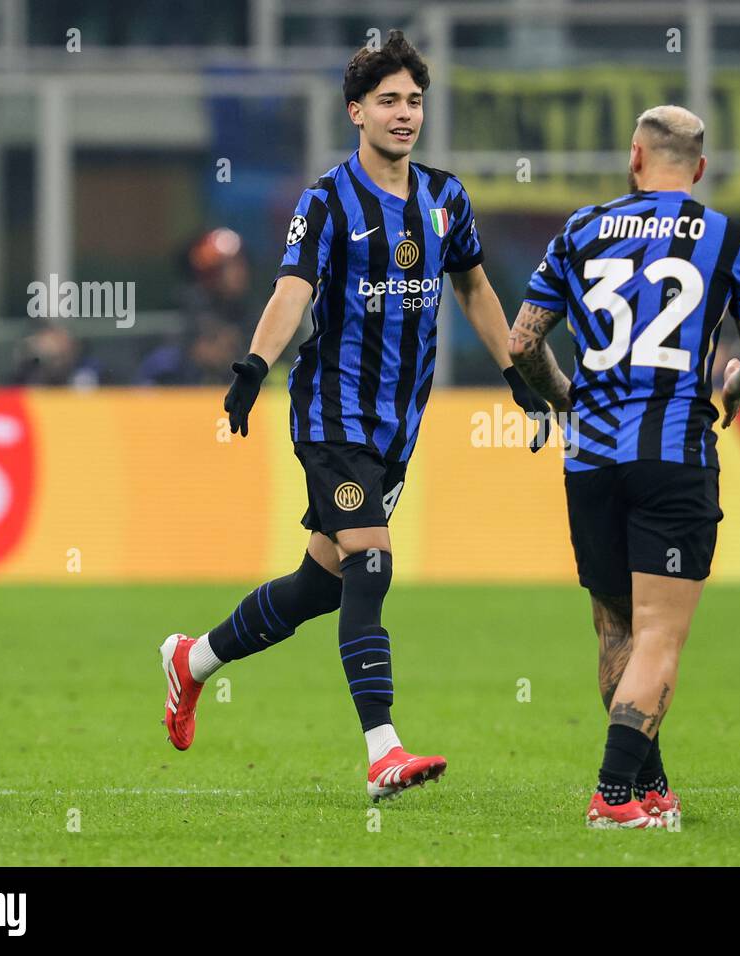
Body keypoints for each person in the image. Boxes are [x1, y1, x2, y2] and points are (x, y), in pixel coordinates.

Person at [159, 30, 551, 802]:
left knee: (321, 585)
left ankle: (191, 660)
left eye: (413, 101)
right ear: (356, 112)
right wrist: (252, 366)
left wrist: (514, 370)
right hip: (332, 414)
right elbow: (292, 290)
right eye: (388, 102)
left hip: (397, 427)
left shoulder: (446, 200)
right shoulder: (326, 201)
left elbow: (472, 287)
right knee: (372, 560)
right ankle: (383, 751)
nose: (404, 114)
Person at [507, 105, 740, 828]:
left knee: (616, 632)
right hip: (674, 455)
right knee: (658, 635)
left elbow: (522, 345)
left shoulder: (579, 229)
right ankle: (613, 795)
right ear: (699, 168)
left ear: (634, 157)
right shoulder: (729, 237)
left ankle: (650, 789)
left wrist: (567, 400)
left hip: (591, 459)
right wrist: (734, 386)